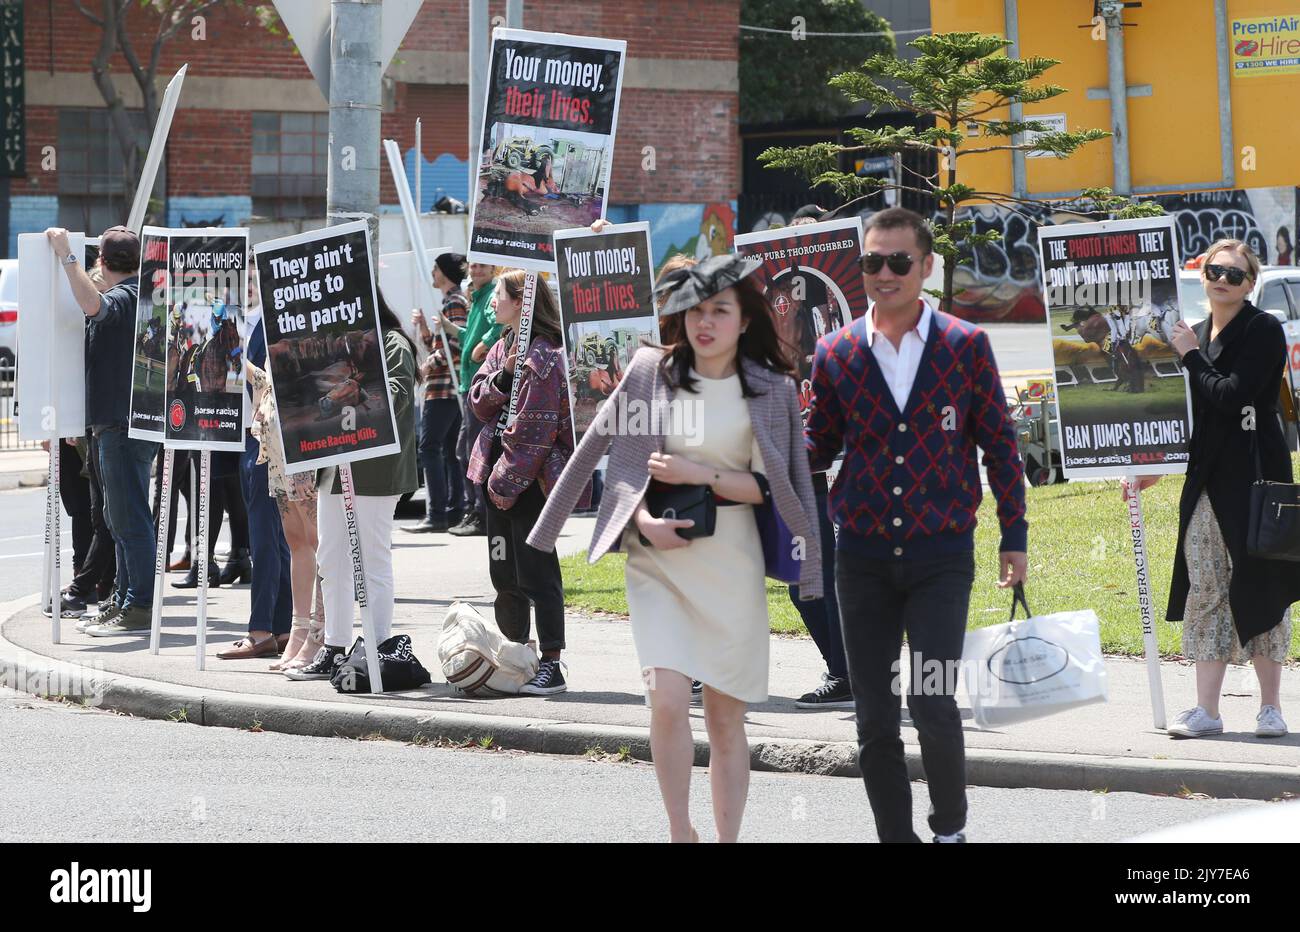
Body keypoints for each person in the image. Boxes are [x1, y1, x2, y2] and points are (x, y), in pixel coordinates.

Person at [528, 254, 823, 842]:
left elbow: (773, 487)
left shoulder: (770, 388)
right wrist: (639, 521)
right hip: (656, 558)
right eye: (695, 311)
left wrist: (700, 475)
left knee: (725, 718)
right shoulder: (647, 372)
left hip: (731, 561)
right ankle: (679, 830)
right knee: (666, 698)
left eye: (720, 310)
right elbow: (614, 461)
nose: (704, 323)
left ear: (745, 320)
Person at [805, 206, 1028, 843]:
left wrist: (1015, 535)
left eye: (898, 262)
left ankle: (949, 830)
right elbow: (816, 448)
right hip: (864, 559)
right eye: (872, 261)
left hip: (941, 556)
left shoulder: (964, 345)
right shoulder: (837, 351)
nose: (883, 273)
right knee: (874, 715)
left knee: (932, 700)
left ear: (926, 268)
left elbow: (1000, 446)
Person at [1127, 239, 1300, 739]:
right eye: (1215, 270)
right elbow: (1193, 419)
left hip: (1258, 480)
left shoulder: (1262, 329)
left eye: (1235, 274)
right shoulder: (1196, 334)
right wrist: (1153, 468)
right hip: (1206, 482)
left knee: (1262, 588)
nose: (1223, 279)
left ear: (1251, 283)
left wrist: (1189, 356)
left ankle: (1271, 708)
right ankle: (1207, 710)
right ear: (1202, 274)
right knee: (1206, 589)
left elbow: (1230, 395)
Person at [288, 292, 418, 680]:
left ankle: (378, 649)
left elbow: (394, 397)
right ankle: (334, 645)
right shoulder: (340, 350)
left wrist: (347, 390)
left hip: (376, 469)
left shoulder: (392, 343)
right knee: (331, 559)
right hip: (337, 467)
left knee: (373, 559)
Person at [467, 269, 580, 695]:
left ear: (522, 302)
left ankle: (552, 663)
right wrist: (502, 376)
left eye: (499, 294)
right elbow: (478, 402)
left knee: (537, 572)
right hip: (494, 481)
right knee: (505, 574)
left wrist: (507, 484)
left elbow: (535, 432)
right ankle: (519, 653)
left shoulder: (546, 356)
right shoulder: (502, 349)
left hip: (529, 486)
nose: (492, 302)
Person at [45, 225, 159, 636]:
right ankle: (125, 598)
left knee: (129, 518)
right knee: (119, 516)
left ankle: (139, 605)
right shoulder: (141, 295)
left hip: (122, 425)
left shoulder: (126, 297)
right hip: (119, 423)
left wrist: (65, 256)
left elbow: (93, 305)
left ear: (102, 262)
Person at [218, 268, 294, 660]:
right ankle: (280, 627)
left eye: (254, 277)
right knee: (277, 538)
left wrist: (233, 354)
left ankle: (262, 628)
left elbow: (266, 380)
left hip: (268, 439)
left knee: (268, 535)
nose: (248, 284)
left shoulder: (275, 320)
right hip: (263, 437)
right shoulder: (262, 317)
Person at [243, 350, 325, 673]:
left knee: (317, 538)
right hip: (276, 436)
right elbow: (266, 379)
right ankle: (300, 628)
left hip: (303, 431)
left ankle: (321, 632)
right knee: (295, 540)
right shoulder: (269, 315)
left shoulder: (303, 310)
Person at [404, 252, 469, 533]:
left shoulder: (454, 301)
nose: (432, 272)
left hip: (442, 390)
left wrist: (426, 366)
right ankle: (454, 510)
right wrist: (423, 331)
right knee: (450, 450)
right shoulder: (452, 300)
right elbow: (443, 344)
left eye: (436, 268)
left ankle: (437, 513)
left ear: (443, 272)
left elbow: (454, 346)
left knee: (429, 448)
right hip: (448, 388)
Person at [450, 262, 501, 537]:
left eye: (483, 266)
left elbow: (499, 325)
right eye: (474, 267)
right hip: (469, 383)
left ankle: (481, 514)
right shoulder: (477, 298)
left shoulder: (492, 295)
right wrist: (449, 328)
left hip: (479, 385)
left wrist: (484, 344)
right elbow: (469, 338)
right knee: (463, 451)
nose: (477, 271)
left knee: (474, 453)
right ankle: (474, 509)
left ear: (493, 269)